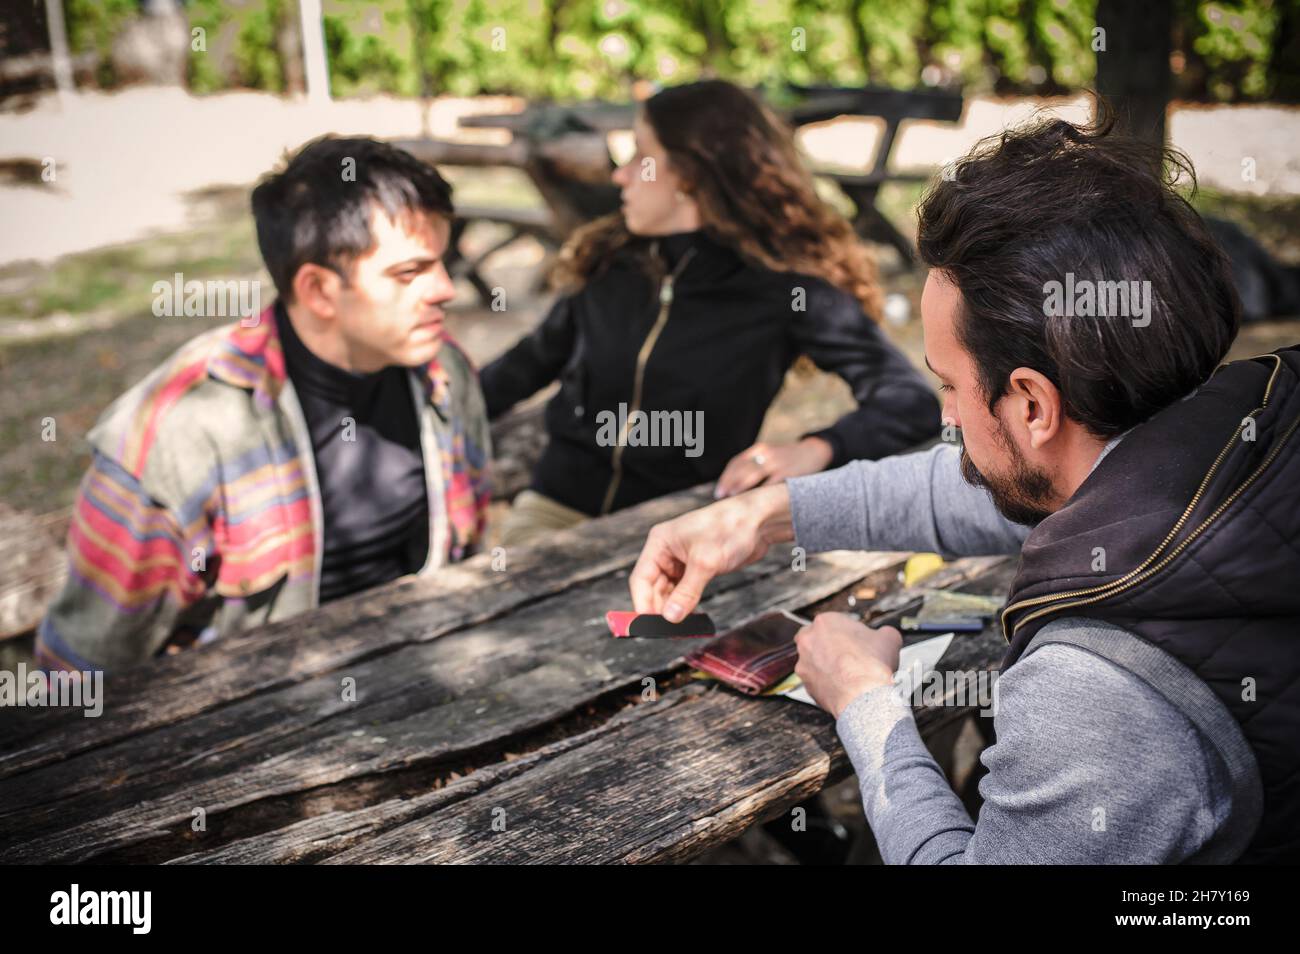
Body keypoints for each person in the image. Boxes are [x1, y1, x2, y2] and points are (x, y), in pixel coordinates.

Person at [628, 110, 1299, 863]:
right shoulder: (1253, 423)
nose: (945, 421)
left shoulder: (1092, 693)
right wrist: (767, 515)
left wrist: (865, 703)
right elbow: (982, 488)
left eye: (950, 387)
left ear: (1034, 404)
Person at [37, 136, 491, 673]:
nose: (446, 289)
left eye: (443, 262)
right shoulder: (178, 433)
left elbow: (470, 553)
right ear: (319, 291)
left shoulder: (445, 374)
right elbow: (83, 667)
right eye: (409, 273)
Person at [480, 79, 939, 545]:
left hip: (682, 527)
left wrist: (819, 447)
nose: (620, 174)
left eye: (641, 157)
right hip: (554, 510)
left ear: (688, 176)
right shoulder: (610, 263)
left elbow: (907, 400)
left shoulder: (784, 288)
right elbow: (523, 368)